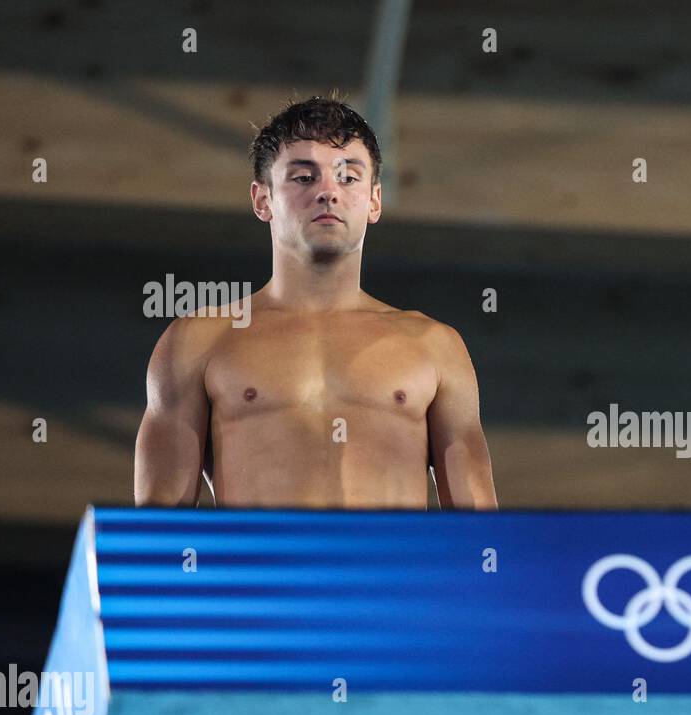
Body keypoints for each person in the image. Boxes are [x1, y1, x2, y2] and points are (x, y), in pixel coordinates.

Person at [135, 96, 497, 509]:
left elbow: (479, 530)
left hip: (390, 574)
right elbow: (159, 529)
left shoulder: (435, 345)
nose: (328, 192)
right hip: (259, 573)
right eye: (304, 177)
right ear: (262, 200)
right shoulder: (198, 340)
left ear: (374, 200)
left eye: (348, 177)